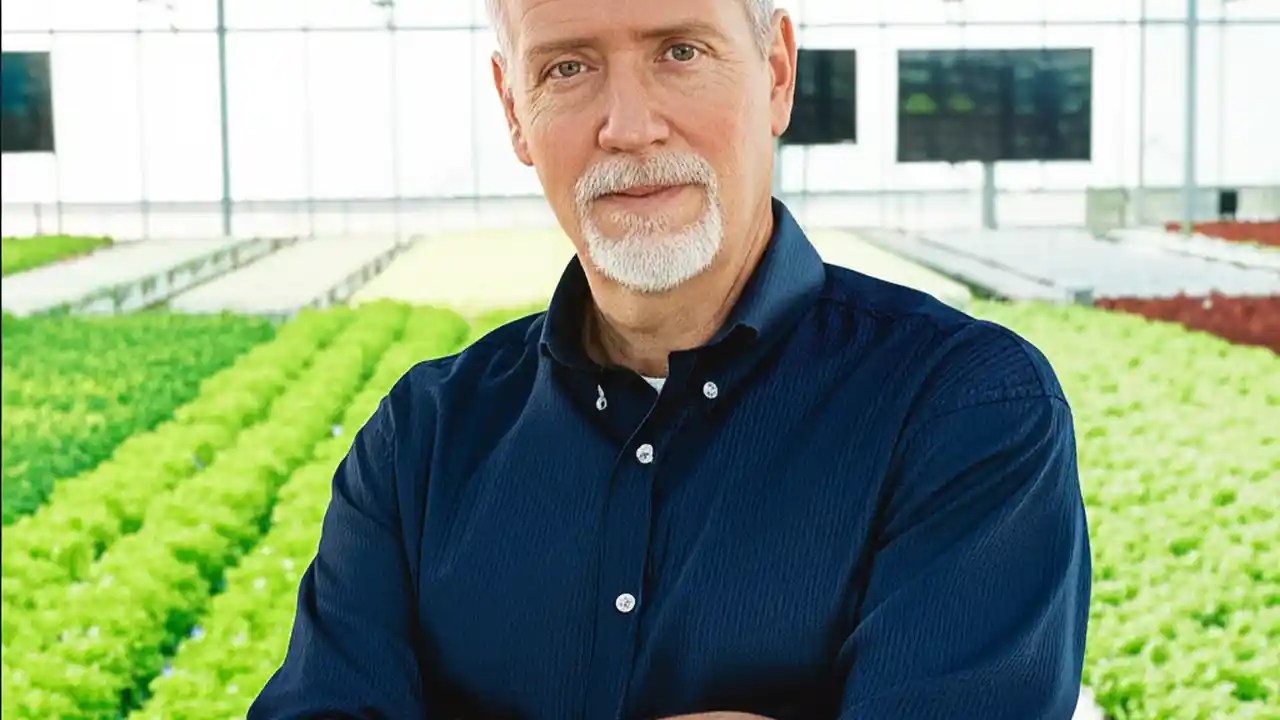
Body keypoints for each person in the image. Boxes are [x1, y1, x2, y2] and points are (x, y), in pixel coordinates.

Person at [248, 0, 1092, 717]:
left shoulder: (963, 410)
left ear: (777, 73)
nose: (629, 126)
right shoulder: (423, 441)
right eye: (568, 68)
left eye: (680, 52)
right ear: (513, 111)